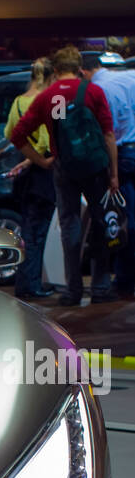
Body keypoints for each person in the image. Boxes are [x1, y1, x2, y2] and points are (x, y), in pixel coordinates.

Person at [10, 44, 118, 307]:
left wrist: (41, 161)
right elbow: (108, 134)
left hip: (63, 168)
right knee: (101, 222)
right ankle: (101, 285)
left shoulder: (47, 96)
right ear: (79, 67)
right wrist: (113, 173)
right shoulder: (93, 91)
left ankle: (73, 289)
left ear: (56, 70)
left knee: (69, 225)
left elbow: (17, 135)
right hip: (95, 168)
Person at [3, 58, 56, 300]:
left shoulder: (18, 102)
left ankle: (24, 283)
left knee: (27, 231)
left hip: (27, 175)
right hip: (45, 173)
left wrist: (25, 159)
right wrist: (41, 160)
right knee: (39, 232)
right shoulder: (53, 100)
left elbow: (9, 133)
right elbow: (50, 140)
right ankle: (35, 284)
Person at [90, 55, 135, 298]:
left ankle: (125, 279)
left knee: (124, 219)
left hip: (122, 155)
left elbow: (107, 133)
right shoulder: (131, 76)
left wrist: (112, 172)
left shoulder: (97, 89)